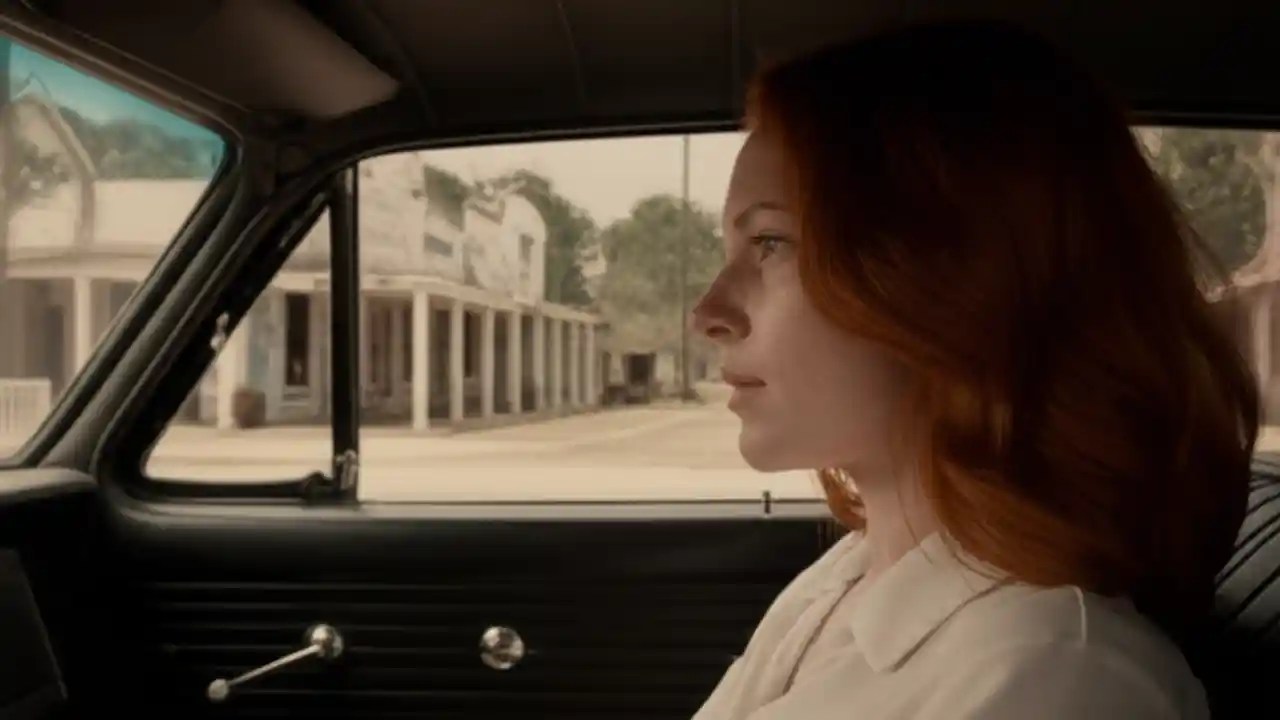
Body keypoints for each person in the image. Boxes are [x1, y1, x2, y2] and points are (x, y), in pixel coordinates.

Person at [690, 20, 1257, 720]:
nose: (709, 312)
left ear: (953, 283)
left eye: (771, 243)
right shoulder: (847, 578)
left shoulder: (1054, 679)